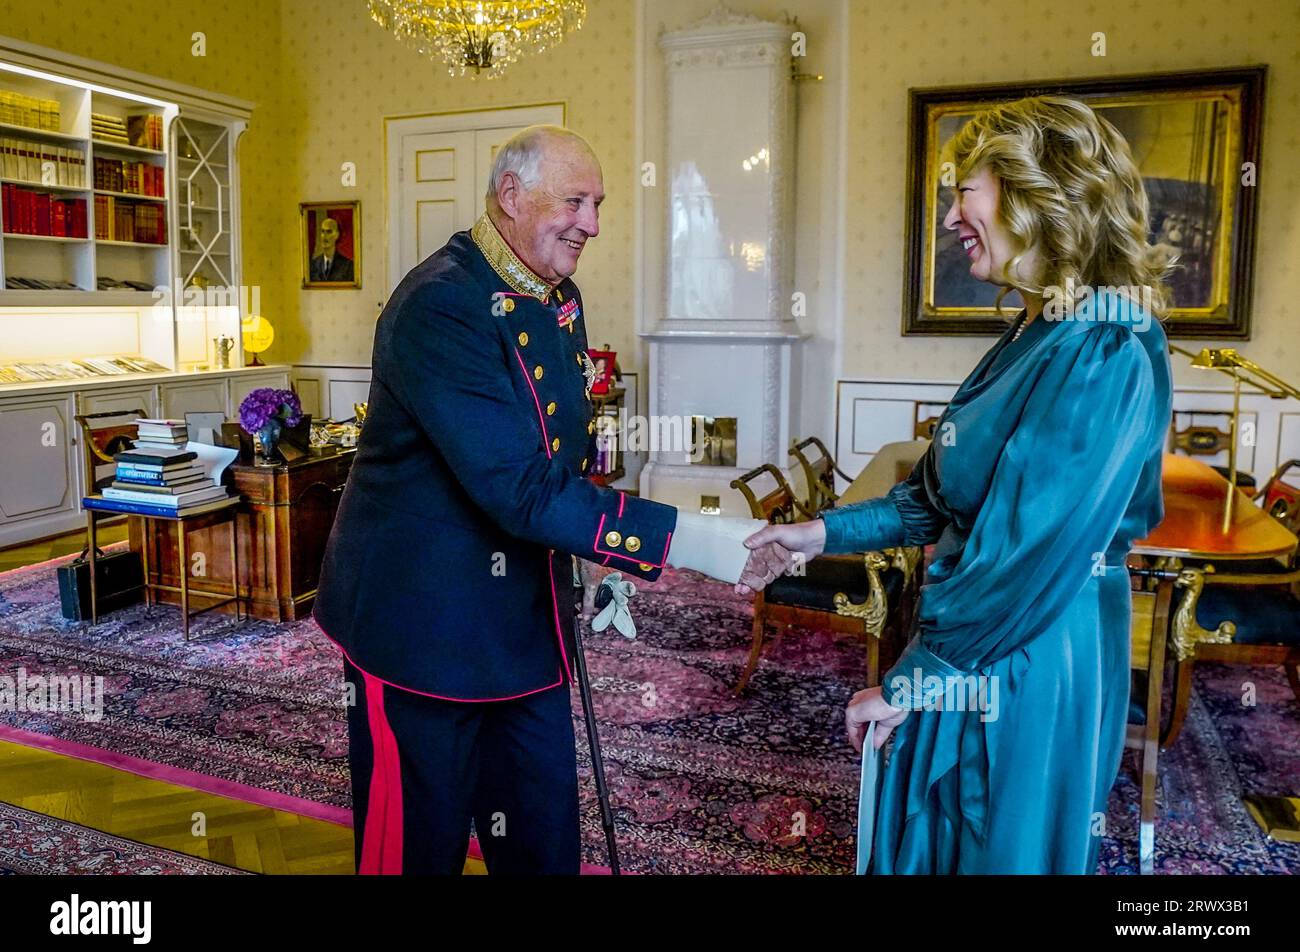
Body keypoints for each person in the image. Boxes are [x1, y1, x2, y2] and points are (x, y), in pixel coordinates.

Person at [315, 125, 789, 875]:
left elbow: (561, 455)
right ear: (511, 195)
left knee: (540, 840)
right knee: (415, 853)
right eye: (575, 201)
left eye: (597, 203)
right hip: (421, 630)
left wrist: (589, 544)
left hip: (525, 622)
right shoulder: (440, 306)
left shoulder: (556, 296)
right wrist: (703, 542)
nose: (592, 223)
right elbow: (519, 485)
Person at [740, 96, 1174, 874]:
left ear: (1037, 190)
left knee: (989, 842)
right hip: (983, 639)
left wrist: (915, 683)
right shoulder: (1034, 328)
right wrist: (819, 534)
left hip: (1030, 649)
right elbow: (941, 499)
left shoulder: (1103, 344)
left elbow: (1024, 555)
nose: (950, 218)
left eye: (963, 191)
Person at [309, 217, 354, 282]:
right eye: (322, 231)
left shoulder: (348, 266)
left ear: (337, 235)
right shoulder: (313, 265)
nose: (324, 236)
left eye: (329, 232)